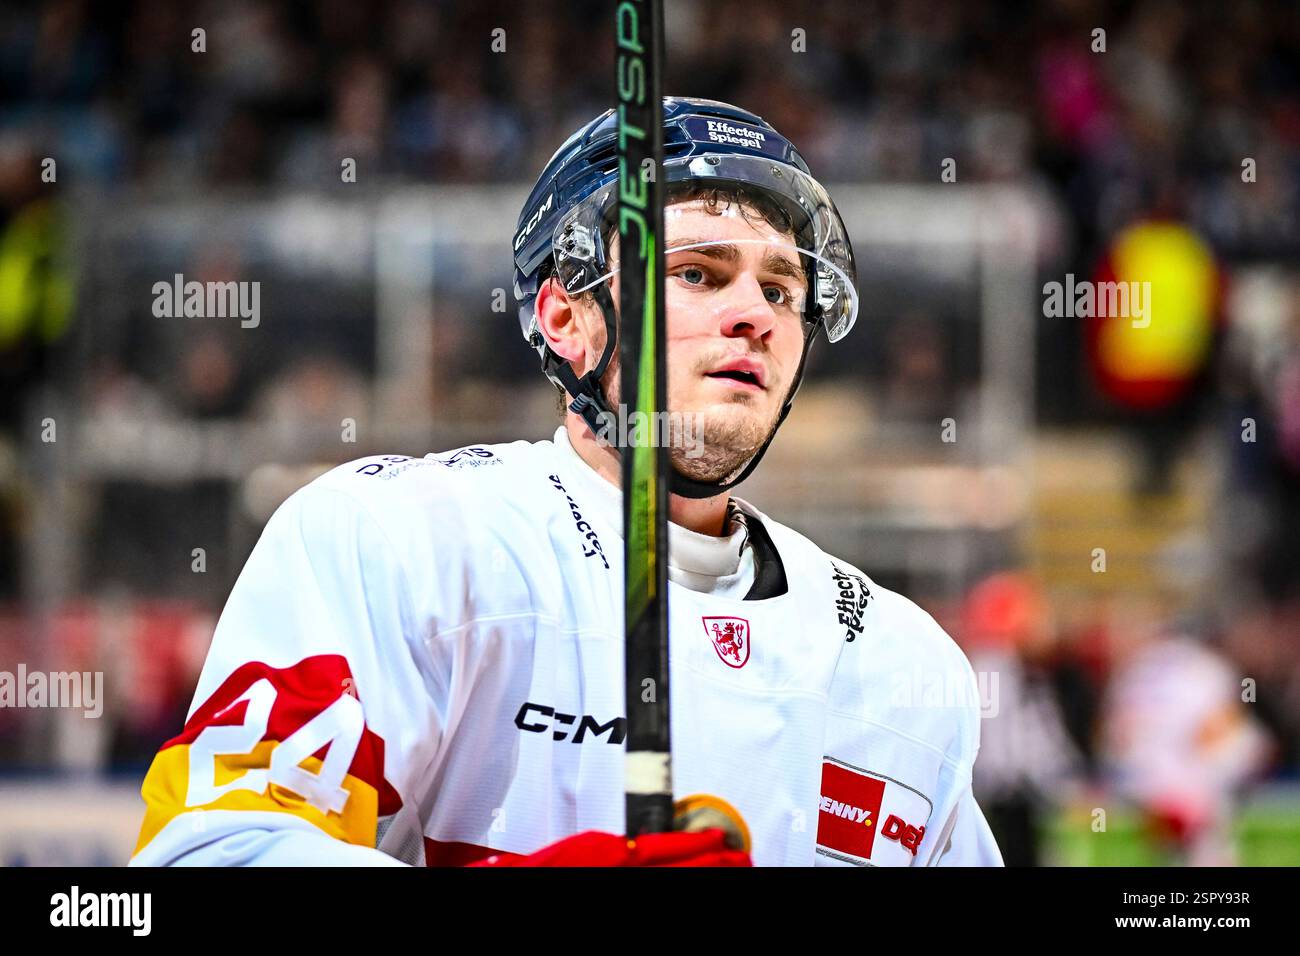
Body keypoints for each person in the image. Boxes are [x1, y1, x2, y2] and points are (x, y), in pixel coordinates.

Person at [130, 97, 1002, 867]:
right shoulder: (399, 541)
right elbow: (210, 852)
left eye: (781, 289)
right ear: (565, 318)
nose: (754, 316)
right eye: (697, 273)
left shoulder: (899, 663)